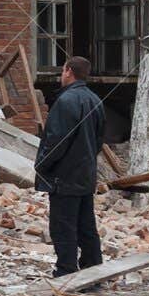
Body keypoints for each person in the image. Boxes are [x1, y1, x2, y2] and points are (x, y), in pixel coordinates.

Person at [36, 55, 105, 277]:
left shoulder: (65, 102)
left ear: (68, 71)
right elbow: (99, 140)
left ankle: (65, 271)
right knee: (86, 226)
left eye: (63, 71)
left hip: (63, 176)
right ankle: (93, 269)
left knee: (63, 226)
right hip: (85, 174)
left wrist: (42, 165)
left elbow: (56, 140)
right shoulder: (95, 100)